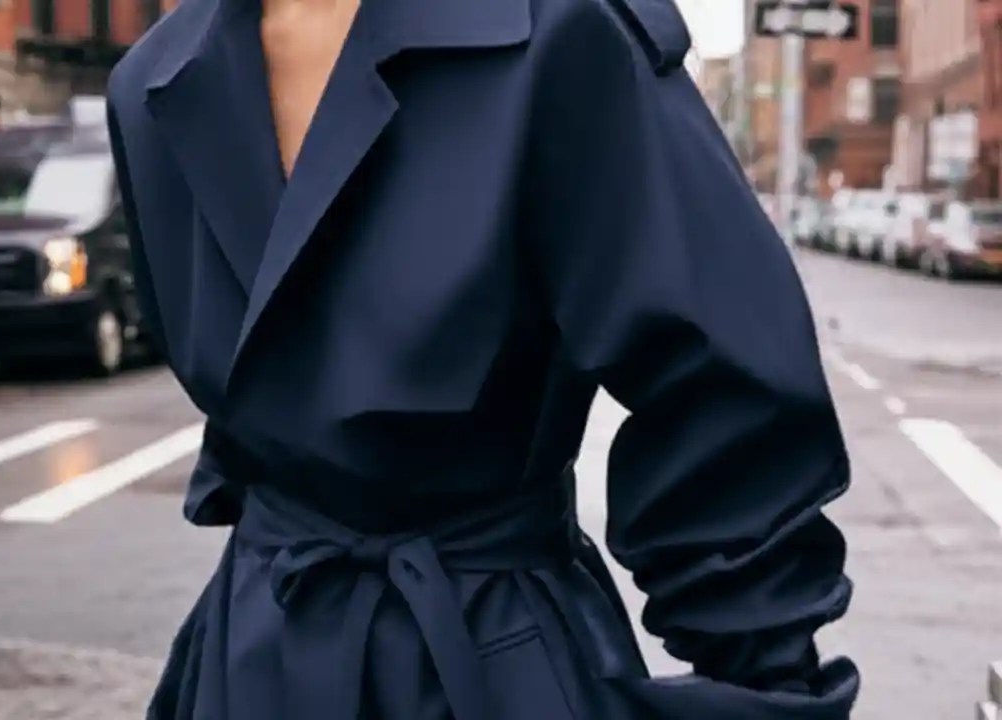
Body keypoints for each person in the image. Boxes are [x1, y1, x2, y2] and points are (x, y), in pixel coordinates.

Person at [106, 0, 860, 717]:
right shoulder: (150, 84)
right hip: (255, 662)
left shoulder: (557, 31)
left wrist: (764, 676)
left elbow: (722, 384)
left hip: (485, 660)